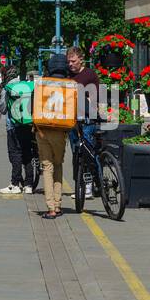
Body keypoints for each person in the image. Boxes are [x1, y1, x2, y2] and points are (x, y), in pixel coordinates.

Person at [35, 52, 72, 218]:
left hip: (42, 130)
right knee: (58, 165)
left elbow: (33, 108)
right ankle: (57, 204)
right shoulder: (70, 85)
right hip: (61, 131)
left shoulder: (42, 84)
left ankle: (50, 207)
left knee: (47, 168)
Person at [65, 46, 101, 198]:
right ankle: (80, 184)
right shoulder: (67, 75)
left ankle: (91, 185)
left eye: (73, 61)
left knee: (87, 151)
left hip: (87, 119)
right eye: (68, 62)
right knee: (76, 153)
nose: (70, 64)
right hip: (72, 120)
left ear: (81, 59)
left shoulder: (89, 75)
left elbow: (96, 98)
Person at [0, 70, 35, 194]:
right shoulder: (26, 86)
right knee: (27, 154)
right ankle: (29, 185)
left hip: (13, 125)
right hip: (28, 124)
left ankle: (15, 184)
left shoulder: (7, 88)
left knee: (15, 154)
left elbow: (3, 109)